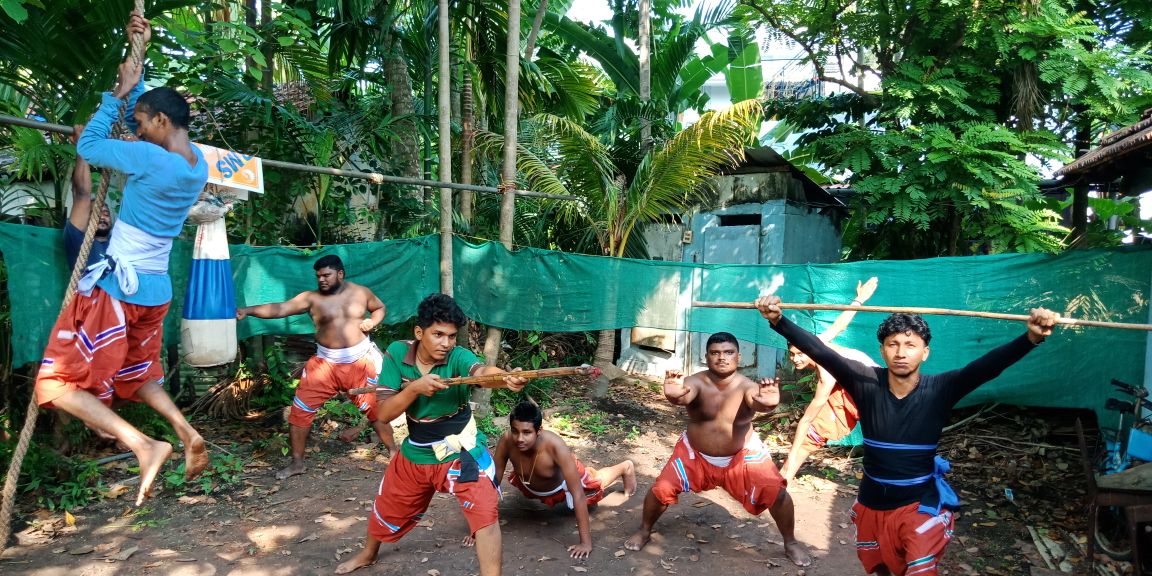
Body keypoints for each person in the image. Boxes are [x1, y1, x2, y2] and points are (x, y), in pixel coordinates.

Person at [34, 12, 209, 507]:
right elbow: (147, 111)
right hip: (153, 290)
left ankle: (144, 445)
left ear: (160, 122)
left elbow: (89, 146)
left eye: (141, 122)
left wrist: (113, 100)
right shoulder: (195, 163)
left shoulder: (150, 158)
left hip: (117, 289)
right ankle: (183, 428)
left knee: (54, 384)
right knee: (139, 376)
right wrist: (138, 59)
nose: (135, 128)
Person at [756, 295, 1058, 575]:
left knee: (919, 567)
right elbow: (819, 350)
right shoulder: (864, 382)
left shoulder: (942, 389)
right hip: (872, 503)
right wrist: (777, 320)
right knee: (882, 568)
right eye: (892, 344)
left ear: (925, 352)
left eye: (910, 345)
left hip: (919, 504)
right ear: (881, 350)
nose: (901, 353)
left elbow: (988, 367)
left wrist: (1031, 338)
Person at [335, 293, 527, 575]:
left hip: (462, 451)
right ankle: (368, 553)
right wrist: (414, 388)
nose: (446, 343)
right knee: (388, 505)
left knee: (485, 513)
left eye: (451, 336)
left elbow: (482, 371)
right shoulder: (397, 354)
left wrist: (505, 378)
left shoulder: (458, 356)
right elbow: (384, 413)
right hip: (417, 450)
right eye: (438, 334)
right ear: (419, 332)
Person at [623, 332, 811, 567]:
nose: (722, 357)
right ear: (707, 356)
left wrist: (769, 401)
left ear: (738, 357)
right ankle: (644, 529)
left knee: (777, 492)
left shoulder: (748, 386)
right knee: (661, 488)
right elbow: (683, 395)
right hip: (695, 454)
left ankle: (791, 542)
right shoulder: (696, 381)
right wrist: (674, 394)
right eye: (715, 353)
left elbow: (759, 402)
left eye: (728, 352)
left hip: (743, 456)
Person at [236, 254, 396, 480]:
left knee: (377, 412)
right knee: (299, 413)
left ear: (340, 274)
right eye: (318, 276)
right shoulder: (311, 298)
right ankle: (297, 463)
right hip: (324, 365)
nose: (321, 280)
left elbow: (379, 308)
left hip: (360, 362)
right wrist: (248, 310)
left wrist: (373, 321)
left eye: (326, 275)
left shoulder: (361, 293)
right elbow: (281, 309)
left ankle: (394, 453)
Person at [486, 400, 637, 559]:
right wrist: (479, 527)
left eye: (527, 432)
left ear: (539, 431)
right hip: (531, 485)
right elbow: (493, 482)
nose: (519, 438)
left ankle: (624, 467)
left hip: (563, 484)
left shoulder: (555, 445)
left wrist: (585, 542)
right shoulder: (507, 440)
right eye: (515, 431)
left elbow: (577, 494)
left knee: (596, 482)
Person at [780, 277, 879, 483]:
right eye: (792, 354)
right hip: (851, 390)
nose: (796, 359)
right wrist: (859, 299)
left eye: (800, 353)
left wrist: (790, 456)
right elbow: (840, 325)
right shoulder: (818, 343)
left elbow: (806, 419)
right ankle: (785, 478)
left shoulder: (826, 376)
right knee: (813, 434)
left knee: (885, 439)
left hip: (875, 393)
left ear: (808, 350)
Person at [64, 129, 112, 271]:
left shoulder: (119, 243)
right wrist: (82, 146)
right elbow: (81, 194)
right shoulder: (77, 240)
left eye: (106, 213)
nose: (102, 216)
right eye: (95, 212)